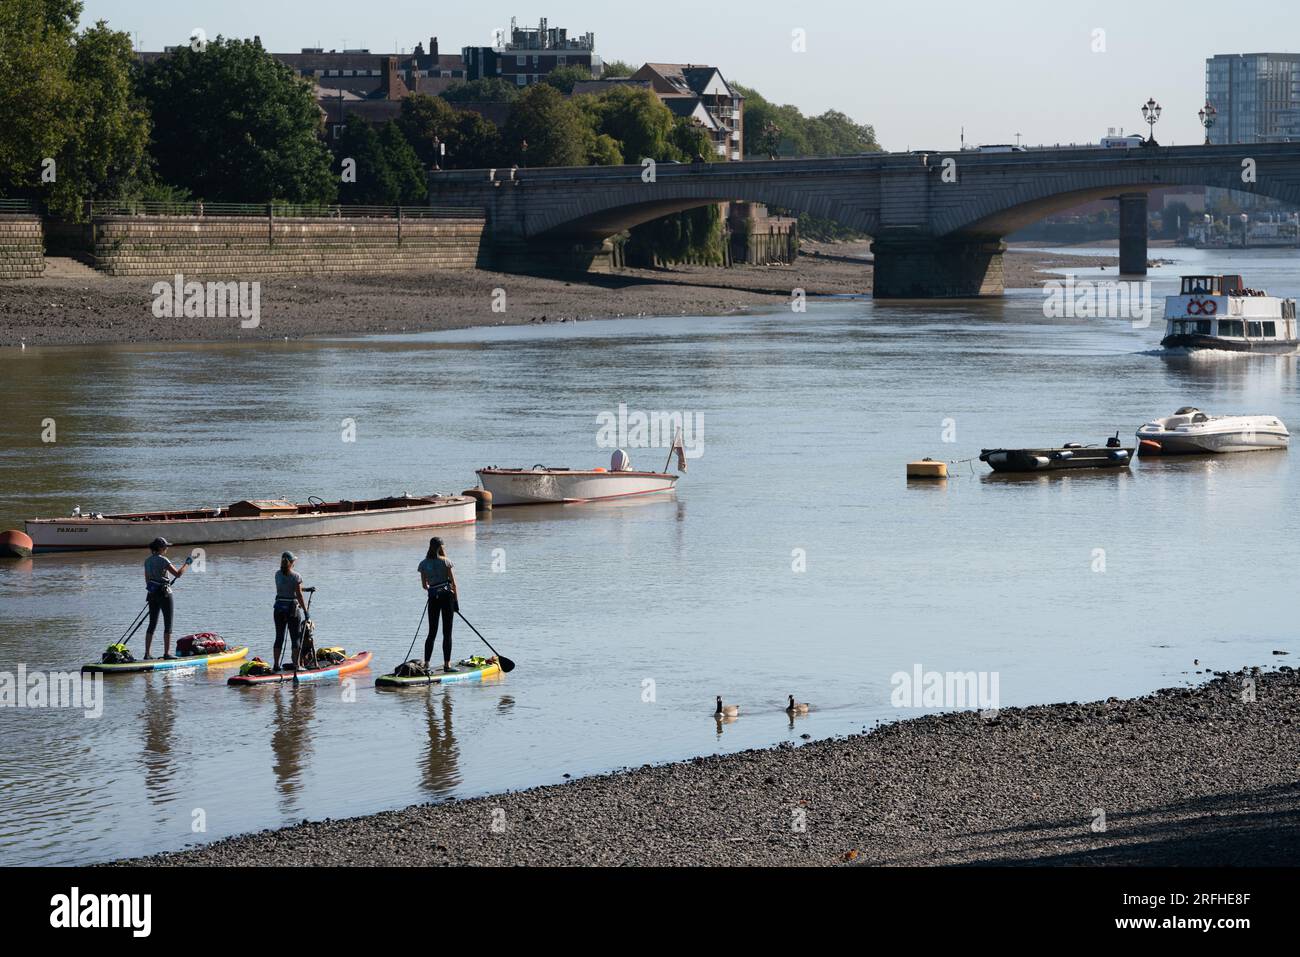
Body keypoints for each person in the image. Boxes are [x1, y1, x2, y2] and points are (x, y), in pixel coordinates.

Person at [417, 537, 459, 673]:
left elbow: (424, 586)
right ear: (441, 547)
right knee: (447, 633)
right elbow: (453, 584)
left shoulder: (423, 564)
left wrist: (433, 587)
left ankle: (427, 664)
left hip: (433, 599)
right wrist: (456, 602)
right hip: (447, 598)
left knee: (432, 632)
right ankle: (447, 665)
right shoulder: (446, 562)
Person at [144, 537, 189, 659]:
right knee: (168, 623)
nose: (167, 548)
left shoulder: (147, 561)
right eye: (165, 546)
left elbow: (147, 581)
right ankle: (167, 653)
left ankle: (147, 654)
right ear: (160, 548)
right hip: (165, 594)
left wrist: (153, 592)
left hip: (152, 594)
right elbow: (178, 574)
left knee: (152, 624)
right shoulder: (164, 560)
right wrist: (187, 564)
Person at [273, 551, 311, 672]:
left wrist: (305, 589)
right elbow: (298, 594)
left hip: (278, 609)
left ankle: (276, 665)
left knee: (279, 637)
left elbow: (286, 588)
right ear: (292, 562)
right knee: (295, 638)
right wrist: (305, 611)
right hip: (292, 610)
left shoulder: (277, 574)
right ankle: (296, 665)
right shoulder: (297, 576)